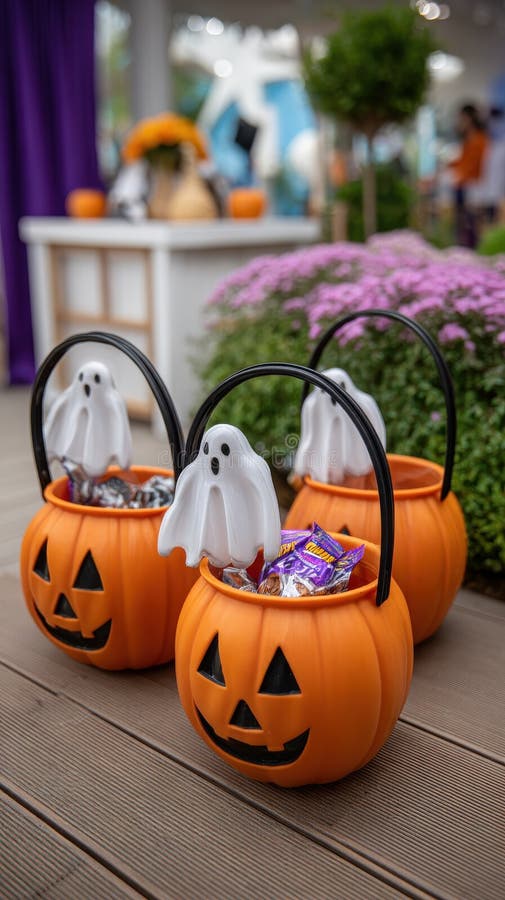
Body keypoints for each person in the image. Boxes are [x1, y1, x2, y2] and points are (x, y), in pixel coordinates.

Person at [448, 103, 489, 247]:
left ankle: (468, 249)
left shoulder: (479, 140)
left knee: (469, 228)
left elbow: (475, 167)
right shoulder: (470, 140)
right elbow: (461, 162)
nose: (458, 122)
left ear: (468, 118)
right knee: (463, 226)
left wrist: (458, 175)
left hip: (474, 189)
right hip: (465, 186)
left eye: (461, 118)